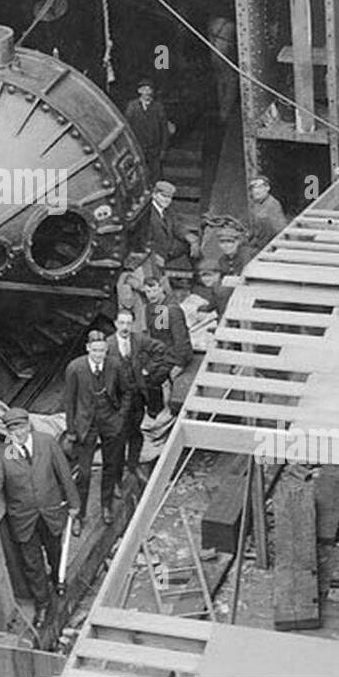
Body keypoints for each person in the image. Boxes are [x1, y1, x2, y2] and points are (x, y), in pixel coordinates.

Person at [0, 407, 79, 628]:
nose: (17, 433)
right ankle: (42, 604)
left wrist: (74, 505)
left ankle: (59, 581)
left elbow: (64, 474)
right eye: (12, 429)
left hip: (50, 512)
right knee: (32, 563)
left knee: (55, 550)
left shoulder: (47, 442)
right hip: (24, 519)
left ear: (28, 425)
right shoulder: (3, 454)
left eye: (20, 427)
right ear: (7, 431)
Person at [60, 330, 128, 529]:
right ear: (88, 348)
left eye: (102, 351)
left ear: (107, 350)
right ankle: (79, 515)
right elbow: (69, 401)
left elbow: (126, 392)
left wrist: (120, 416)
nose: (99, 355)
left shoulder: (114, 365)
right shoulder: (75, 368)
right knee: (85, 473)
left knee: (110, 466)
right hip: (85, 425)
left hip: (110, 422)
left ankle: (106, 505)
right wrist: (71, 429)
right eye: (95, 350)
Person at [106, 308, 168, 483]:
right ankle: (116, 480)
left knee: (135, 433)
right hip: (117, 401)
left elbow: (160, 349)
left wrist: (147, 369)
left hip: (137, 397)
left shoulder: (138, 339)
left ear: (132, 324)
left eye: (128, 323)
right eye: (121, 323)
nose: (125, 327)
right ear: (115, 324)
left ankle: (132, 467)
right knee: (118, 440)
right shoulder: (108, 344)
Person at [141, 274, 193, 417]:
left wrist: (179, 364)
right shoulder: (155, 308)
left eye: (154, 290)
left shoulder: (171, 309)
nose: (151, 295)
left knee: (152, 380)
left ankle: (157, 413)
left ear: (161, 289)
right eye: (147, 291)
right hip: (162, 353)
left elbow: (181, 340)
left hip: (174, 356)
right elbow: (159, 335)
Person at [146, 180, 201, 268]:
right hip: (155, 254)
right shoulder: (147, 213)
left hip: (170, 248)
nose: (167, 200)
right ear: (154, 195)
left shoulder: (167, 210)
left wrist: (191, 239)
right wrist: (153, 257)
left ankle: (199, 274)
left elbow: (176, 226)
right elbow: (142, 241)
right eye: (163, 196)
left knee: (196, 247)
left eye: (169, 197)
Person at [124, 80, 169, 181]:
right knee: (138, 176)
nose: (147, 92)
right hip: (138, 148)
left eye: (149, 89)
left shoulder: (158, 107)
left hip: (154, 149)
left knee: (156, 176)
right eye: (144, 90)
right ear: (139, 91)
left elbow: (164, 130)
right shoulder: (132, 106)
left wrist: (163, 149)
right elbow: (127, 127)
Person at [247, 175, 288, 250]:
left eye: (259, 187)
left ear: (267, 188)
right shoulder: (256, 204)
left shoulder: (272, 205)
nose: (256, 191)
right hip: (258, 245)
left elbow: (279, 230)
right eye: (253, 188)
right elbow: (254, 230)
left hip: (270, 248)